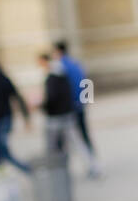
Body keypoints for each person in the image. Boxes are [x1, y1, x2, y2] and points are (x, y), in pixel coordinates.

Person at [53, 41, 101, 177]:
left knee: (71, 139)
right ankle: (94, 162)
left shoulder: (60, 67)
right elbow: (86, 82)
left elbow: (63, 89)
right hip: (81, 104)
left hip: (71, 107)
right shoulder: (76, 63)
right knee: (84, 135)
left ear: (57, 51)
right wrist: (87, 100)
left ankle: (89, 166)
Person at [37, 52, 75, 155]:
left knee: (53, 144)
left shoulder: (52, 76)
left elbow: (52, 97)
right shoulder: (61, 72)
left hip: (56, 114)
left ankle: (58, 167)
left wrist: (41, 106)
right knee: (71, 142)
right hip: (66, 111)